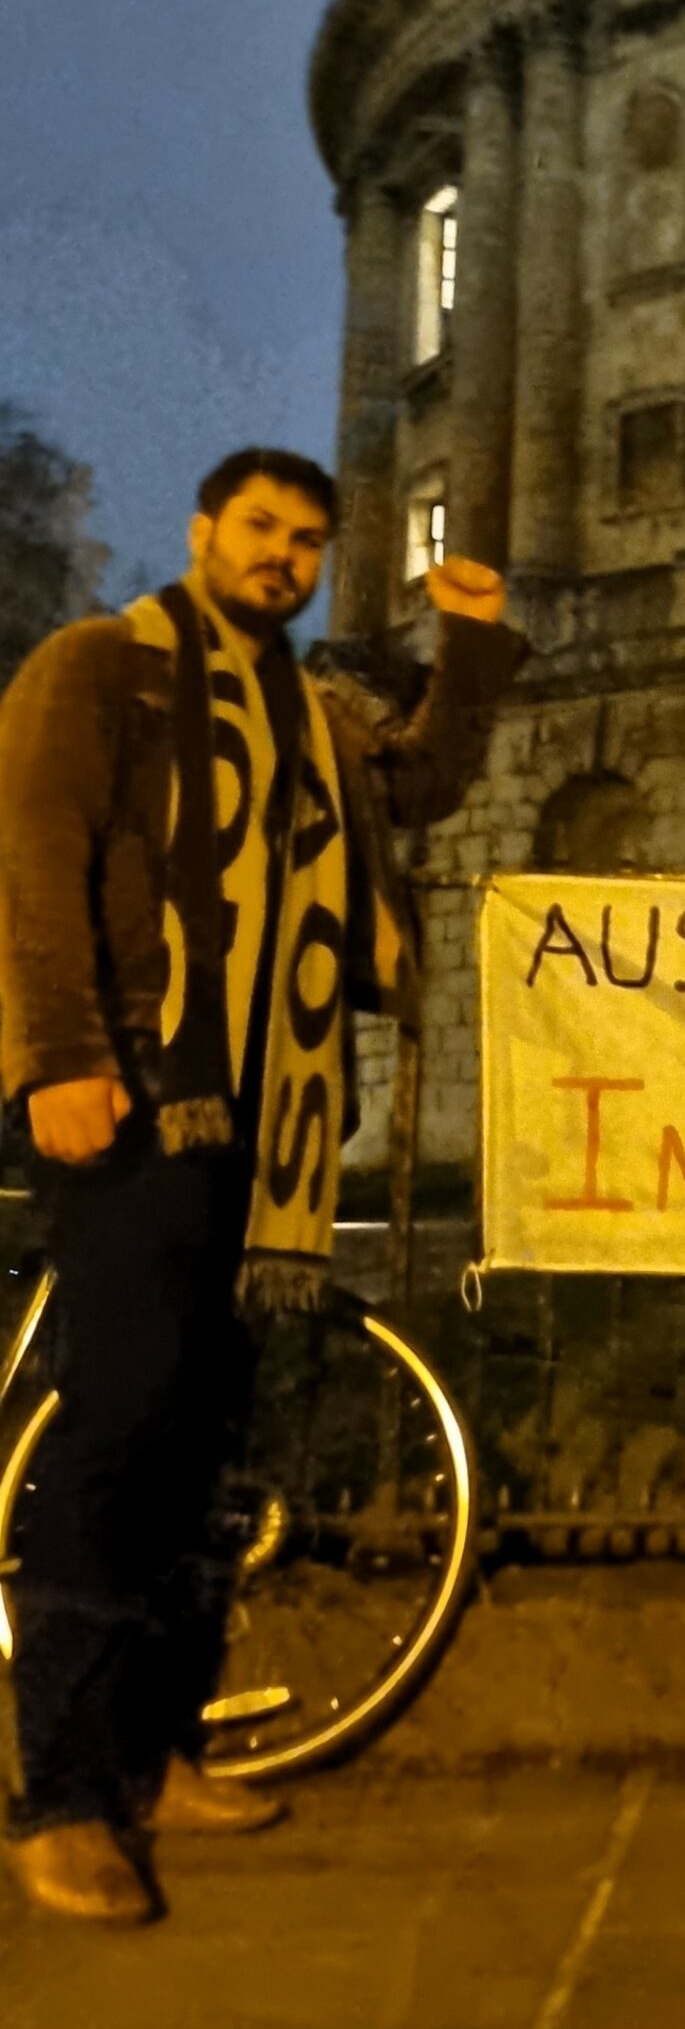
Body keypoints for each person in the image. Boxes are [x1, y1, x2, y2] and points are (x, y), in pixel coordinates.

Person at [0, 447, 521, 1924]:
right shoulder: (99, 669)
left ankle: (156, 1751)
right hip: (144, 1096)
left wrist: (469, 642)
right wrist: (57, 1056)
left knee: (201, 1444)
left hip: (278, 1124)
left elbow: (418, 786)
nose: (284, 557)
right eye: (261, 531)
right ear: (203, 531)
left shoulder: (318, 716)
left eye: (307, 540)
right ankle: (60, 1797)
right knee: (119, 1433)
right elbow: (33, 859)